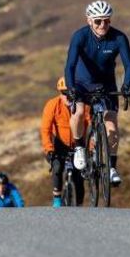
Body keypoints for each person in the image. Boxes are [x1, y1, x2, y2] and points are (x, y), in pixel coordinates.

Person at [63, 0, 130, 186]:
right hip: (81, 83)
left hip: (106, 84)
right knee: (79, 112)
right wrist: (71, 88)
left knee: (112, 124)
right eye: (98, 21)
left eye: (107, 20)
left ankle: (111, 168)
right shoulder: (80, 36)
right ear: (89, 21)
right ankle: (79, 147)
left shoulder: (119, 38)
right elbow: (70, 66)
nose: (103, 25)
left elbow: (129, 66)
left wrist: (126, 85)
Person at [42, 77, 90, 207]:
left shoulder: (83, 106)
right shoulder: (52, 105)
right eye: (64, 93)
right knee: (57, 167)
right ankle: (57, 199)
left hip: (78, 145)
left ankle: (79, 204)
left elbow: (91, 126)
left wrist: (91, 147)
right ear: (60, 93)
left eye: (69, 93)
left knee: (78, 177)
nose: (67, 96)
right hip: (59, 144)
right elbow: (45, 129)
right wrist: (49, 149)